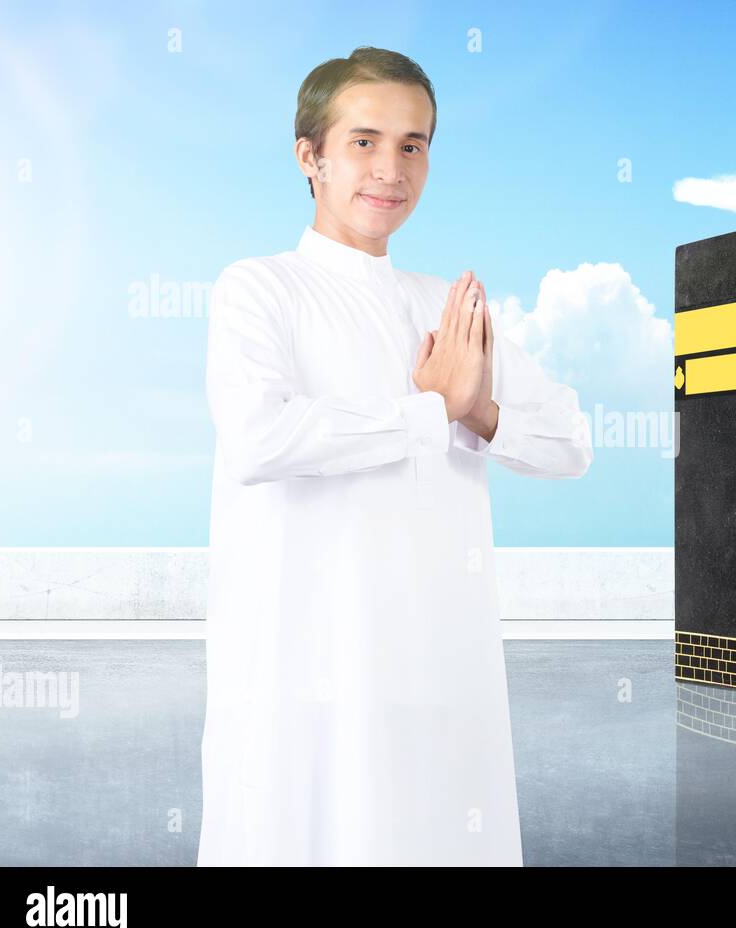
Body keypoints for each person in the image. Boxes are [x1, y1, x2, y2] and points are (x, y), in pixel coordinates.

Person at [197, 46, 592, 866]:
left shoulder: (442, 307)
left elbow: (570, 443)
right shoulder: (259, 288)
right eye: (365, 141)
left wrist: (480, 408)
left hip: (440, 667)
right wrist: (430, 412)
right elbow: (259, 438)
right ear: (310, 156)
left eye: (413, 145)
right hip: (301, 668)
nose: (391, 168)